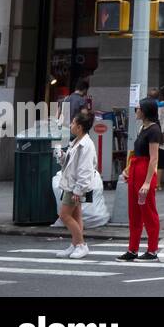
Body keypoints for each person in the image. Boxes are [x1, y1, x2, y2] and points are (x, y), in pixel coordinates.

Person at [118, 97, 162, 262]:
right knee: (134, 213)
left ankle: (152, 250)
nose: (136, 110)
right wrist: (128, 169)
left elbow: (154, 159)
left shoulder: (154, 130)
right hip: (136, 169)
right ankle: (132, 249)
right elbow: (136, 154)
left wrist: (147, 182)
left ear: (144, 111)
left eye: (138, 108)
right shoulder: (143, 128)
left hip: (145, 172)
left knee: (148, 212)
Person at [56, 109, 98, 259]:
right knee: (76, 214)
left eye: (73, 123)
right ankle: (75, 244)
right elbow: (70, 163)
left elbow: (85, 169)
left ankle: (80, 244)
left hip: (75, 186)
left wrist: (78, 190)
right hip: (72, 185)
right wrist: (61, 156)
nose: (71, 125)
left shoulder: (85, 145)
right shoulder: (76, 142)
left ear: (80, 127)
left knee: (64, 215)